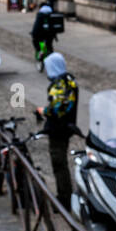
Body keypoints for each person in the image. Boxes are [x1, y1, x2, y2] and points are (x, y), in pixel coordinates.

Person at [36, 52, 78, 208]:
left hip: (58, 129)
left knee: (59, 164)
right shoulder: (70, 81)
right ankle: (65, 195)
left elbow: (57, 109)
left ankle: (64, 199)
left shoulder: (60, 85)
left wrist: (43, 111)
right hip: (66, 128)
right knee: (61, 164)